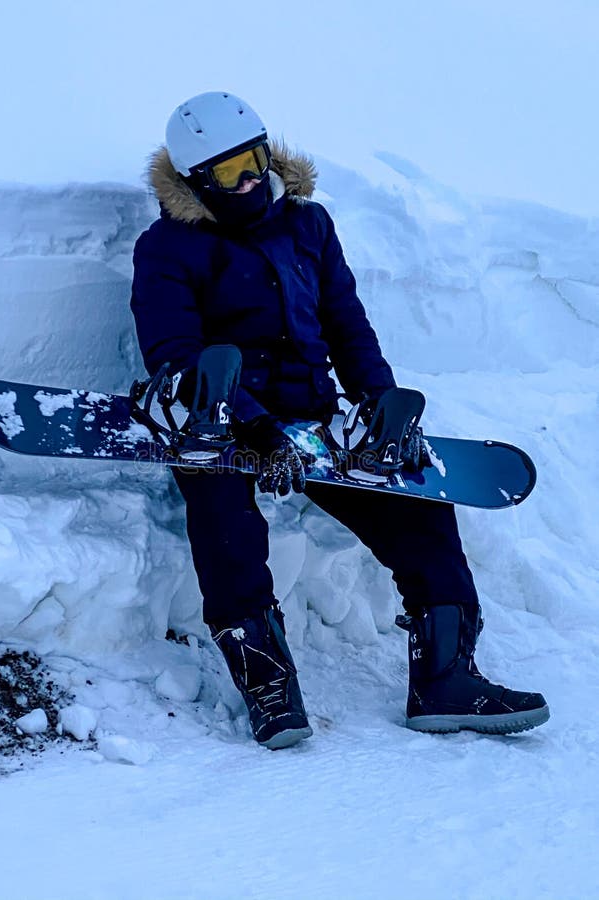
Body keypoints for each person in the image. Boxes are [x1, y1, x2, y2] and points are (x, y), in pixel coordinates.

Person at [131, 91, 549, 749]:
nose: (248, 182)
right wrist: (253, 425)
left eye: (253, 162)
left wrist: (377, 400)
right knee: (224, 519)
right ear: (194, 180)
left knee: (420, 506)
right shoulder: (167, 247)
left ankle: (446, 679)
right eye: (227, 173)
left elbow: (346, 325)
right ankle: (269, 689)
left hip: (312, 417)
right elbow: (173, 349)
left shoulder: (308, 224)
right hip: (218, 417)